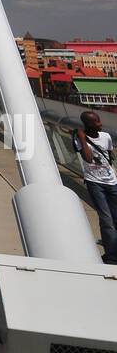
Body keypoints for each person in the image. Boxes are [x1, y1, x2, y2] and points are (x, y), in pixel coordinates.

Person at [74, 110, 117, 265]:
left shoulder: (106, 137)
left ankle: (113, 250)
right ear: (89, 124)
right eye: (97, 121)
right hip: (94, 182)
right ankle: (112, 256)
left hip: (112, 181)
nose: (100, 123)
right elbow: (88, 158)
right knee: (106, 220)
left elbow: (109, 156)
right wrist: (82, 139)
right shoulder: (79, 139)